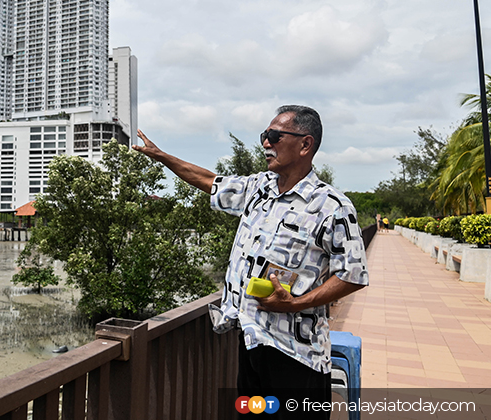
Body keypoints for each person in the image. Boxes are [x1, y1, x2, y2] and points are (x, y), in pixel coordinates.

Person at [132, 105, 369, 419]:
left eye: (273, 136)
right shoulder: (258, 189)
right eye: (264, 136)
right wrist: (164, 158)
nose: (265, 144)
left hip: (296, 357)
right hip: (251, 342)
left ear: (305, 145)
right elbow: (209, 181)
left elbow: (353, 274)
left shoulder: (332, 206)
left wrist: (297, 303)